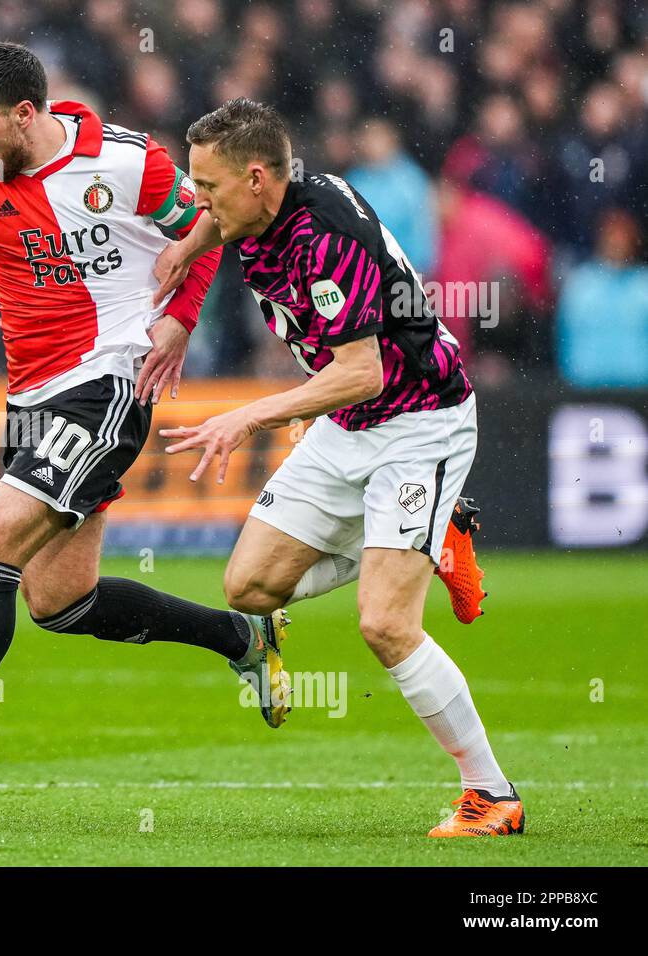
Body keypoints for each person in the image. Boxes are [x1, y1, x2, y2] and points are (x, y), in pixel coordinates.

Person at [0, 43, 287, 826]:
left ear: (25, 113)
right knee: (59, 601)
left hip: (111, 381)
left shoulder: (126, 163)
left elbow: (210, 225)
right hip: (30, 400)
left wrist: (179, 322)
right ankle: (239, 637)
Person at [154, 99, 516, 837]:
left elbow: (362, 373)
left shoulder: (325, 240)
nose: (199, 200)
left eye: (208, 186)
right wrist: (187, 250)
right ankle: (433, 537)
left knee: (385, 624)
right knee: (249, 589)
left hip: (419, 421)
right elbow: (217, 219)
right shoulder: (258, 206)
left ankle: (491, 794)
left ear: (257, 178)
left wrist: (248, 416)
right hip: (347, 425)